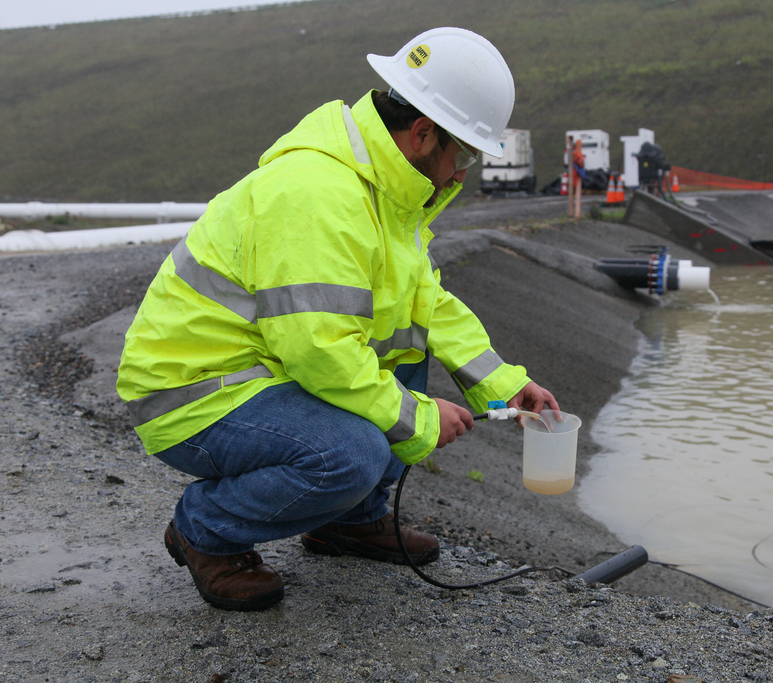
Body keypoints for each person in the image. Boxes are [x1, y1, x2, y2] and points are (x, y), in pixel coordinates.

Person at [116, 27, 559, 612]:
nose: (461, 174)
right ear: (423, 133)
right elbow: (319, 349)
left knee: (405, 354)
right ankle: (206, 530)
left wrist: (506, 385)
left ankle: (350, 521)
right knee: (352, 453)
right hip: (193, 393)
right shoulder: (319, 193)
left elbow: (427, 305)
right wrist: (419, 419)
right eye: (466, 154)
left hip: (262, 373)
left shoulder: (386, 190)